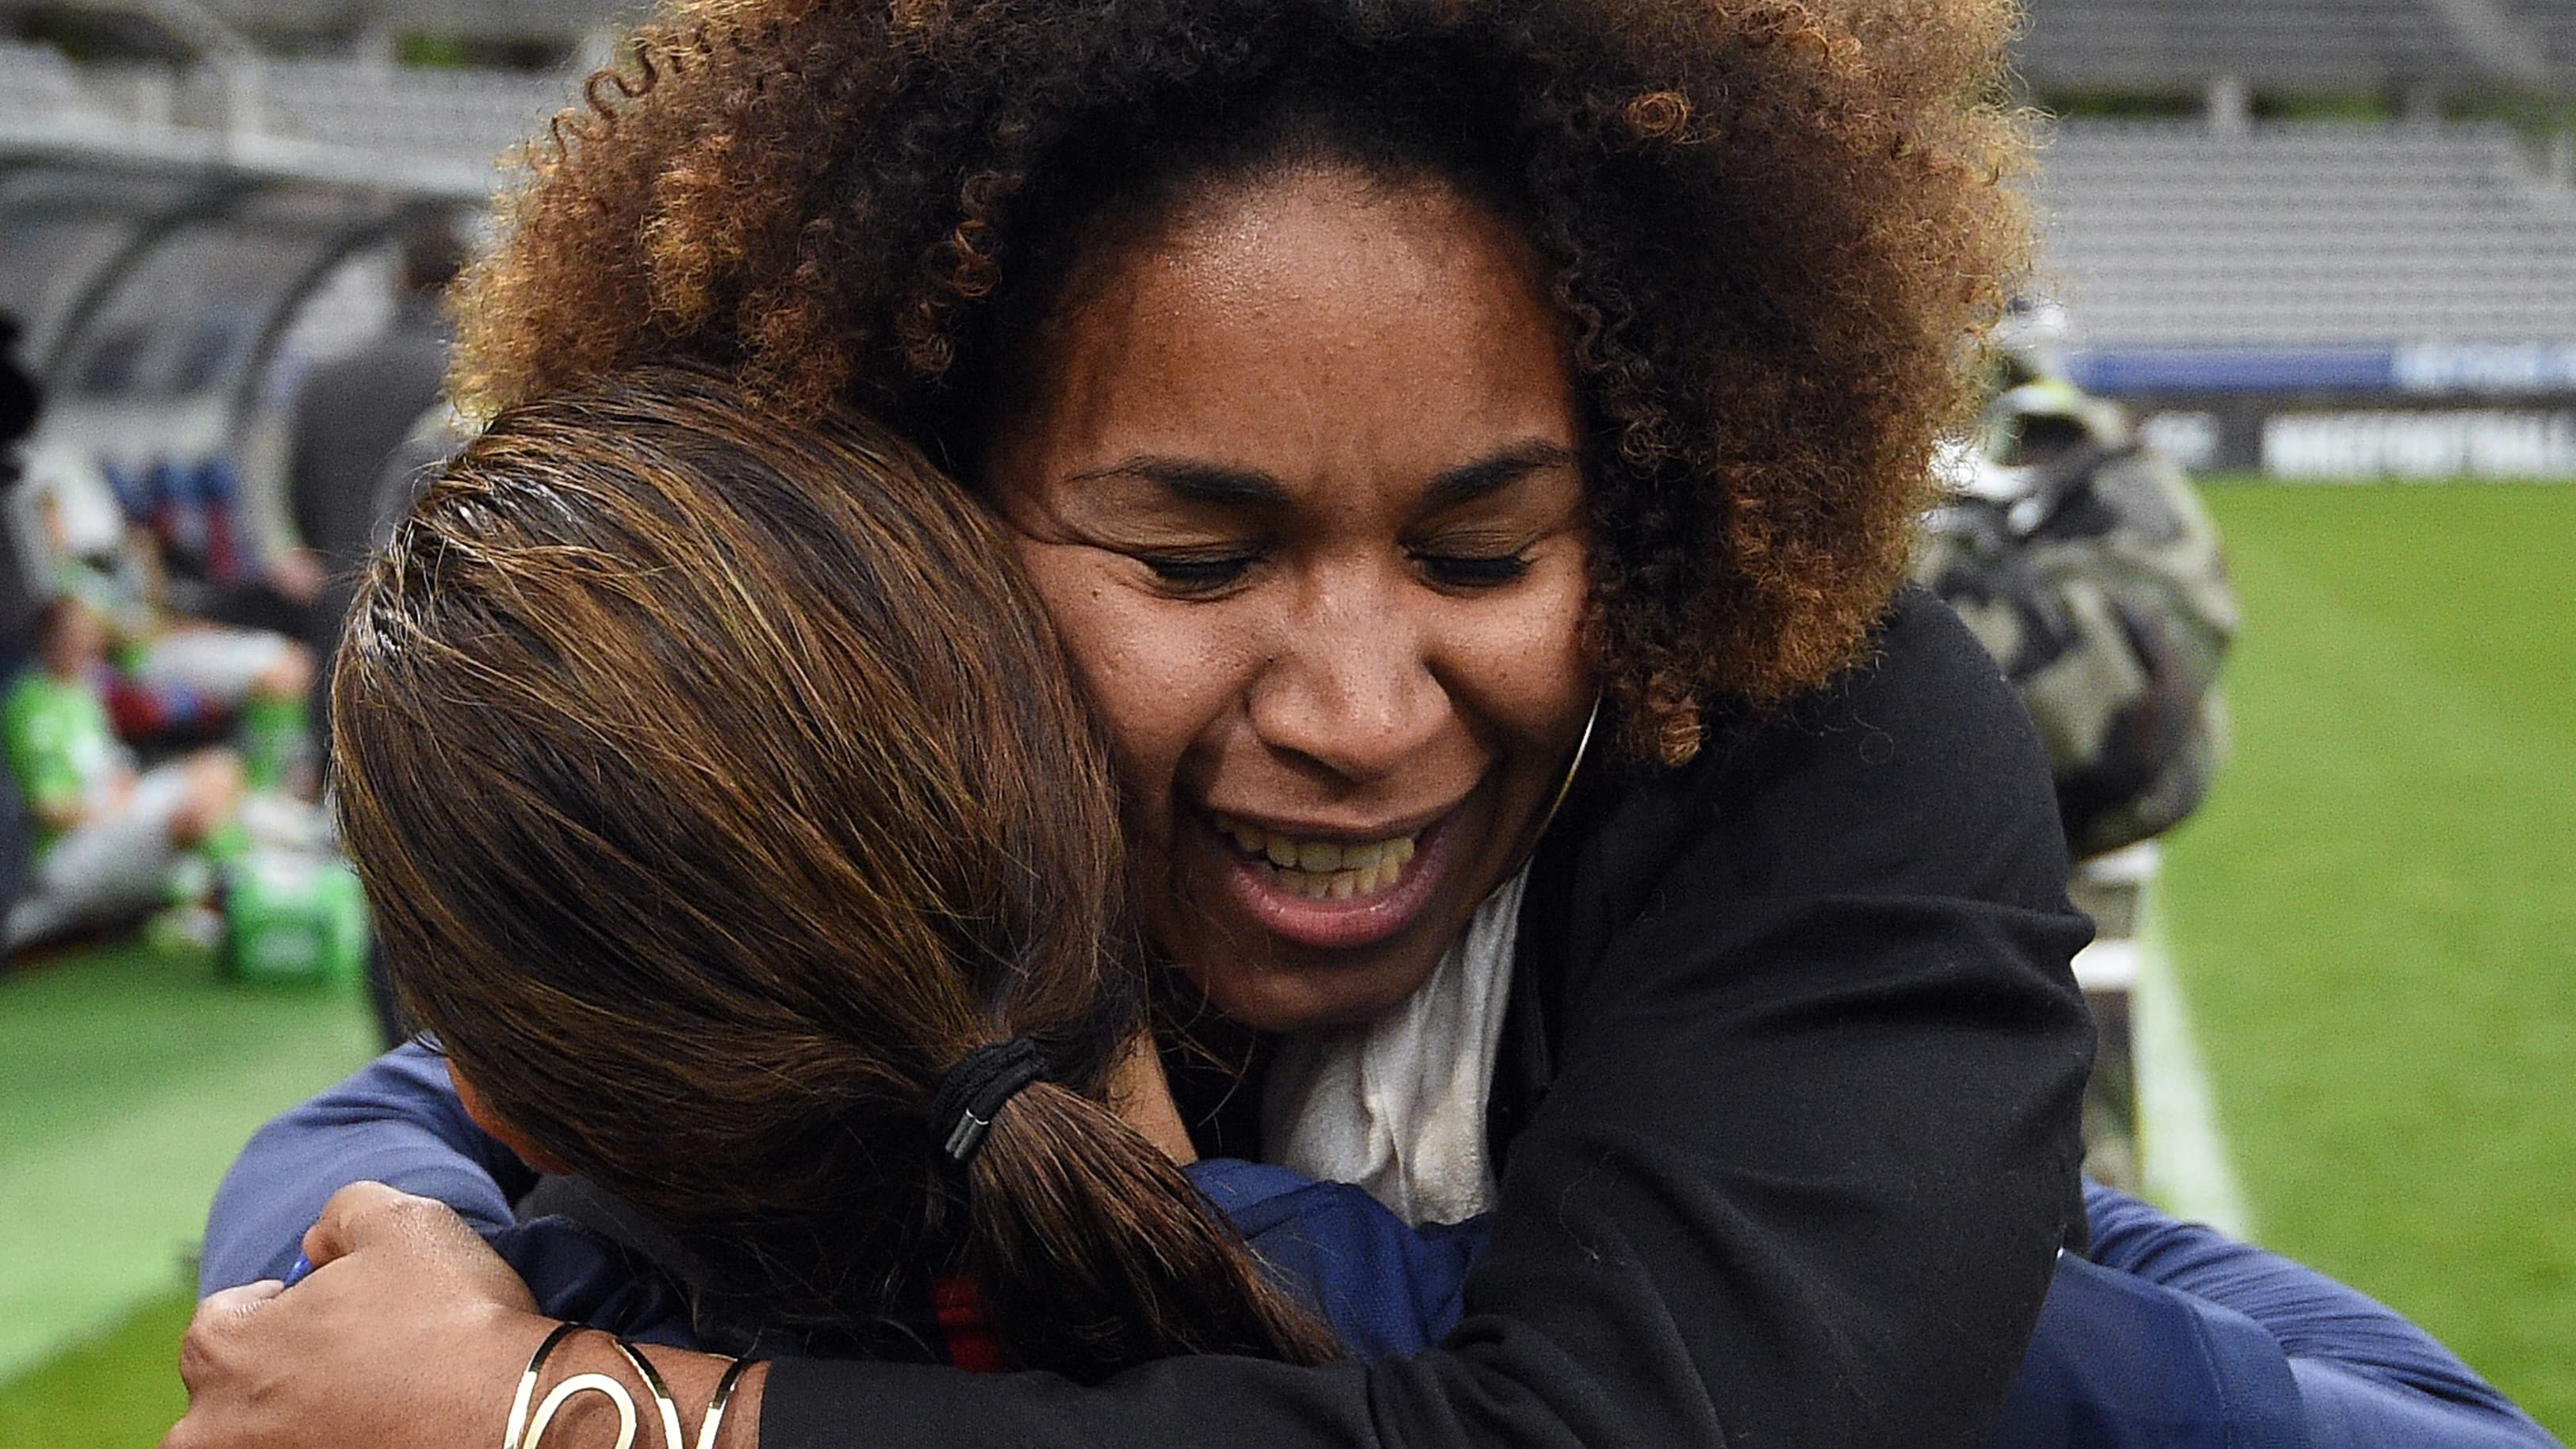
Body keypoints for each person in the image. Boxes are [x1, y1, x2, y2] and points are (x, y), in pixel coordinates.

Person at [170, 2, 2106, 1446]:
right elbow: (433, 1125)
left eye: (1490, 549)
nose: (1360, 714)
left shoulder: (1826, 754)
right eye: (1194, 560)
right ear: (900, 495)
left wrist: (578, 1410)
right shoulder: (807, 802)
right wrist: (378, 1276)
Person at [3, 595, 244, 949]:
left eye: (88, 633)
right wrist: (113, 808)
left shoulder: (84, 692)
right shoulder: (29, 703)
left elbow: (110, 768)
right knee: (194, 811)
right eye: (73, 634)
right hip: (70, 849)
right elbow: (48, 808)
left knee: (219, 767)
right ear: (48, 639)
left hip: (115, 817)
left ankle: (214, 890)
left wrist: (126, 792)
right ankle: (216, 897)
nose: (84, 643)